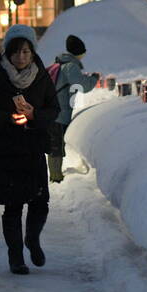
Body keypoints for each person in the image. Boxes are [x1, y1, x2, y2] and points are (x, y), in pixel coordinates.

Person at [0, 24, 58, 274]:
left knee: (40, 201)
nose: (21, 57)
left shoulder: (41, 75)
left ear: (32, 51)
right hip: (6, 149)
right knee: (12, 205)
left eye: (26, 51)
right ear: (7, 52)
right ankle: (15, 256)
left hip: (33, 147)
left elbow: (54, 108)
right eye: (16, 52)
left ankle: (32, 240)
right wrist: (6, 118)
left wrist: (35, 115)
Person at [47, 33, 99, 183]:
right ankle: (56, 177)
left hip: (54, 111)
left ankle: (55, 175)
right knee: (56, 147)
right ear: (80, 52)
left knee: (55, 145)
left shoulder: (60, 63)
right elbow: (83, 85)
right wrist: (94, 79)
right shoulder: (70, 66)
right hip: (59, 113)